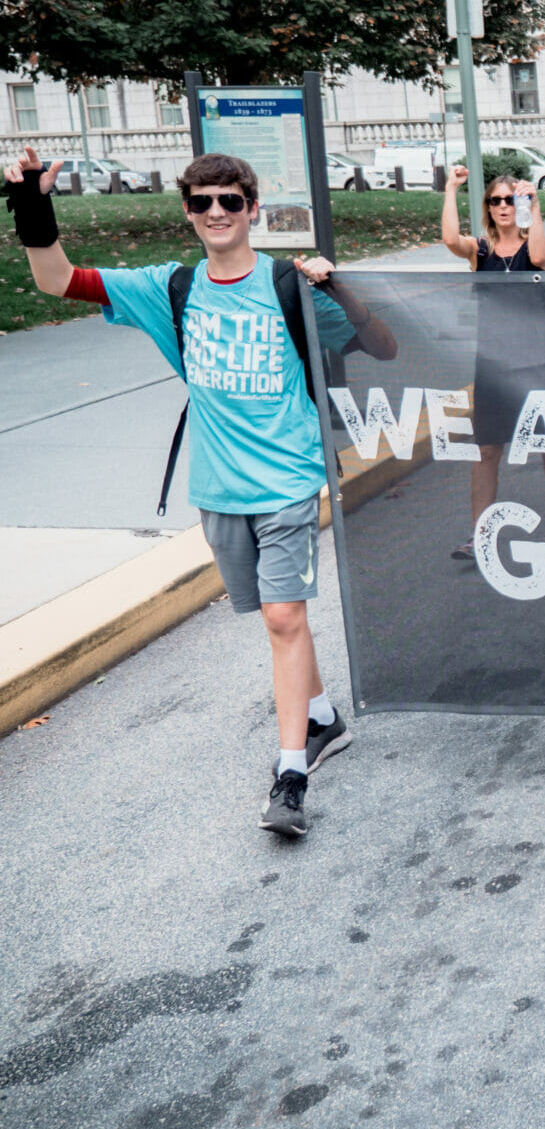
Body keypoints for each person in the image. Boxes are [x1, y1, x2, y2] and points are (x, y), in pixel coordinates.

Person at [6, 146, 397, 839]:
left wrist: (338, 287)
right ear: (187, 212)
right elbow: (57, 280)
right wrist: (33, 208)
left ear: (252, 209)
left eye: (230, 201)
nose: (216, 213)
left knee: (283, 619)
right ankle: (323, 718)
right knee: (278, 622)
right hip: (218, 489)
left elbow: (384, 345)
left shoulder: (289, 285)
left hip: (289, 480)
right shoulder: (171, 289)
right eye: (201, 202)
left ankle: (290, 777)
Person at [441, 165, 545, 557]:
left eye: (510, 199)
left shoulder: (540, 243)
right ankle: (481, 534)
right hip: (495, 361)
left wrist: (534, 207)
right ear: (488, 207)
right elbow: (450, 239)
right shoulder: (480, 251)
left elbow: (537, 257)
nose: (503, 206)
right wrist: (450, 188)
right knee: (487, 448)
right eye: (495, 200)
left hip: (540, 357)